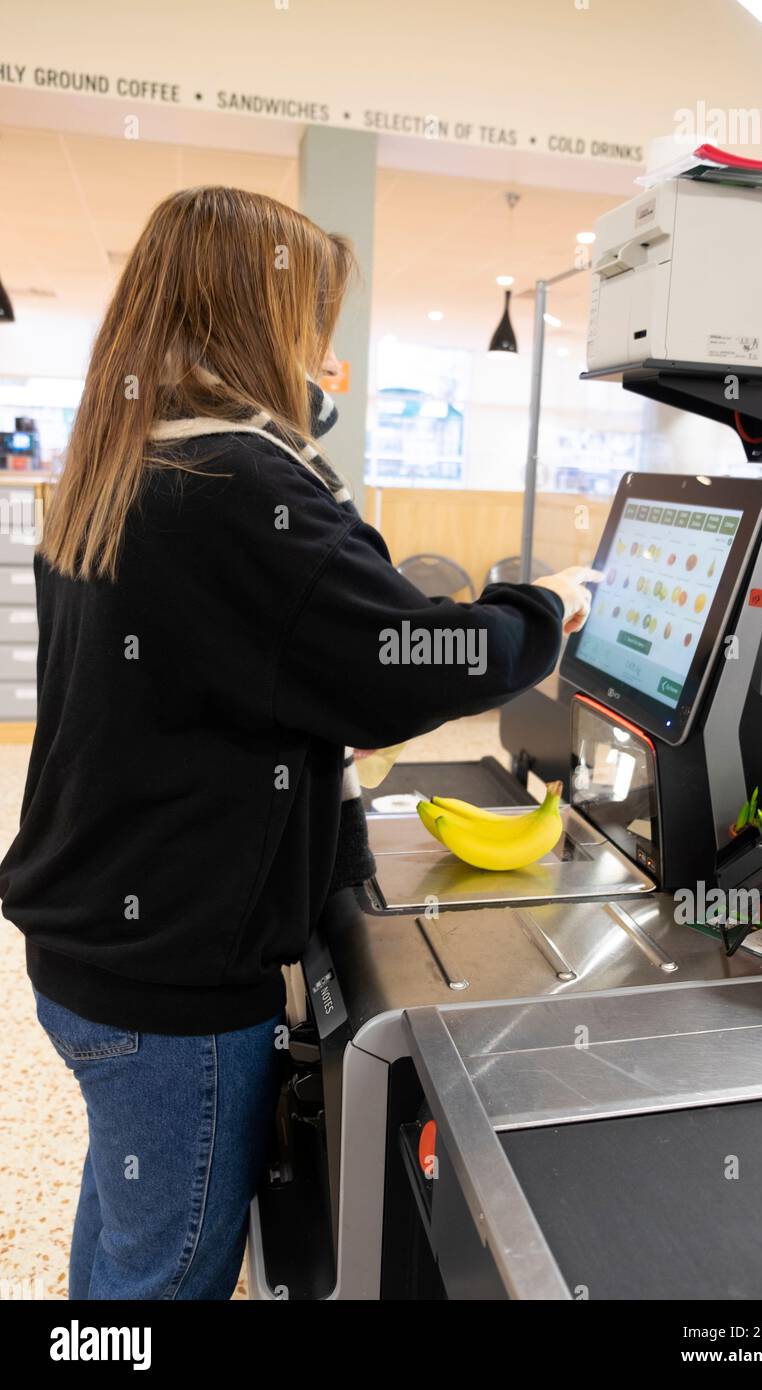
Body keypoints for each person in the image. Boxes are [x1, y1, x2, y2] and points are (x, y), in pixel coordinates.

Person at [0, 186, 598, 1300]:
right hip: (170, 981)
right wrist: (547, 608)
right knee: (168, 1269)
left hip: (88, 945)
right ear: (259, 321)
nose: (327, 358)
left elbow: (215, 672)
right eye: (315, 325)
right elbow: (408, 660)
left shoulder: (121, 460)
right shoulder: (237, 482)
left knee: (124, 1230)